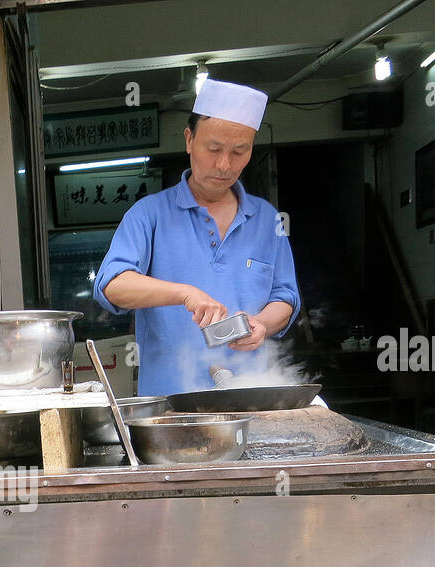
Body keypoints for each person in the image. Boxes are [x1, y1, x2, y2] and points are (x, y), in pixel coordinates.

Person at [93, 78, 300, 395]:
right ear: (189, 140)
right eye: (214, 149)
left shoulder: (267, 219)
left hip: (251, 400)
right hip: (170, 409)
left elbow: (285, 297)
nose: (223, 164)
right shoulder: (149, 215)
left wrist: (262, 324)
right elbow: (112, 285)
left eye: (239, 152)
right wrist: (184, 293)